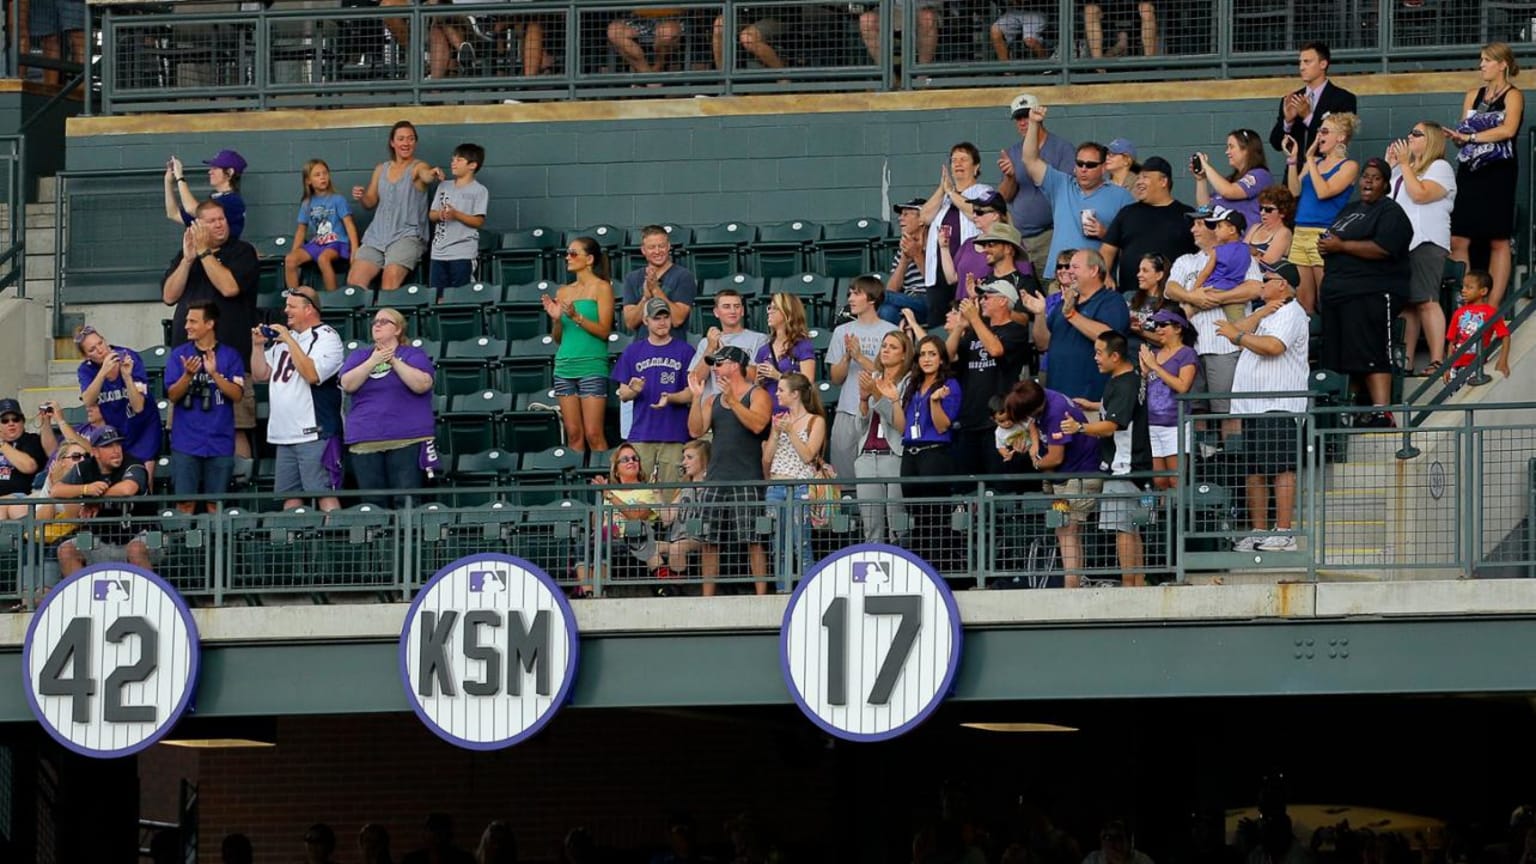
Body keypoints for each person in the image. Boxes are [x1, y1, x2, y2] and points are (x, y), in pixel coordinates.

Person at [1215, 274, 1310, 552]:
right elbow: (1234, 333)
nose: (1261, 284)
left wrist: (1241, 336)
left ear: (1283, 284)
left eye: (1267, 280)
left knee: (1281, 469)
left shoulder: (1291, 312)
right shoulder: (1267, 312)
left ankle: (1285, 533)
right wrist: (1257, 314)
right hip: (1252, 406)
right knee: (1254, 471)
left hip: (1279, 403)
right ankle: (1258, 531)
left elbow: (1273, 347)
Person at [1317, 158, 1413, 427]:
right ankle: (1354, 411)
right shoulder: (1349, 209)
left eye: (1376, 178)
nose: (1368, 181)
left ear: (1385, 185)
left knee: (1370, 351)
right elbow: (1333, 239)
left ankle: (1383, 412)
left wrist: (1342, 247)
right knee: (1343, 355)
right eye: (1365, 176)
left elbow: (1383, 248)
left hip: (1371, 292)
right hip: (1338, 293)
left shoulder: (1391, 212)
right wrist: (1326, 246)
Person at [162, 199, 260, 458]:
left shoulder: (242, 252)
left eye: (222, 219)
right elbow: (169, 295)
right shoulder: (187, 256)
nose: (219, 224)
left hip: (231, 357)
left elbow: (229, 287)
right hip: (189, 360)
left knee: (236, 426)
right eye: (211, 221)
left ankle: (238, 490)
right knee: (185, 425)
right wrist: (187, 260)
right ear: (197, 226)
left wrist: (205, 253)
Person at [1063, 330, 1153, 585]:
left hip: (1123, 466)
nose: (1095, 358)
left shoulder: (1125, 383)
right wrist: (1094, 406)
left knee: (1122, 529)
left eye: (1099, 353)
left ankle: (1129, 585)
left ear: (1115, 355)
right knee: (1131, 528)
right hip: (1133, 464)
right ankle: (1137, 583)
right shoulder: (1126, 378)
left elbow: (1114, 424)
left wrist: (1080, 428)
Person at [1163, 216, 1263, 443]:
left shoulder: (1240, 254)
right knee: (1196, 410)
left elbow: (1255, 288)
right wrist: (1192, 296)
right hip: (1190, 346)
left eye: (1201, 224)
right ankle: (1203, 463)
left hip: (1225, 345)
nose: (1194, 229)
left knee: (1226, 410)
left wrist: (1216, 297)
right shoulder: (1186, 260)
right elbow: (1170, 289)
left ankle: (1231, 462)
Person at [249, 285, 344, 512]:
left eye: (292, 306)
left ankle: (332, 540)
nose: (286, 310)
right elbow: (261, 374)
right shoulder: (286, 338)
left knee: (322, 494)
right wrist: (258, 346)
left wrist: (290, 342)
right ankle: (293, 544)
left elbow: (312, 375)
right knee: (290, 498)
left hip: (314, 431)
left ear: (309, 309)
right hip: (284, 433)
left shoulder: (327, 337)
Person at [686, 345, 771, 596]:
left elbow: (757, 425)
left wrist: (734, 402)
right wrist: (695, 398)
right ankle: (707, 599)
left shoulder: (757, 394)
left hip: (747, 477)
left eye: (720, 363)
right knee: (709, 541)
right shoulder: (713, 399)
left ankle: (761, 597)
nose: (715, 368)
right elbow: (695, 431)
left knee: (753, 539)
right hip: (716, 477)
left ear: (735, 365)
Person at [1449, 43, 1524, 310]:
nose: (1481, 65)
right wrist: (1460, 139)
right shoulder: (1473, 94)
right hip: (1470, 169)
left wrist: (1471, 136)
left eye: (1486, 60)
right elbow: (1463, 129)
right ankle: (1467, 304)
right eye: (1481, 60)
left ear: (1502, 63)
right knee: (1459, 238)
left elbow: (1508, 130)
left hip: (1499, 173)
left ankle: (1489, 310)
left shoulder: (1513, 95)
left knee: (1498, 238)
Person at [1021, 103, 1134, 280]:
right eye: (1079, 163)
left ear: (1104, 167)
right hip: (1060, 277)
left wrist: (1105, 234)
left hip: (1095, 280)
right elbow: (1029, 160)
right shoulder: (1061, 184)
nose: (1083, 169)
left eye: (1090, 165)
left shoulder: (1121, 196)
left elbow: (1133, 245)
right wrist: (1034, 124)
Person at [874, 335, 960, 566]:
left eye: (932, 354)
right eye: (922, 354)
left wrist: (934, 402)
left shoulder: (949, 385)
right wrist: (893, 400)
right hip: (911, 454)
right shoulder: (913, 384)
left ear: (942, 359)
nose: (926, 358)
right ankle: (923, 567)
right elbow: (903, 427)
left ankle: (940, 569)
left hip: (934, 453)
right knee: (917, 517)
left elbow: (942, 426)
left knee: (935, 518)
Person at [1003, 380, 1099, 587]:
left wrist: (1036, 463)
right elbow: (1033, 424)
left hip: (1080, 472)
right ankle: (1076, 581)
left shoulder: (1056, 412)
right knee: (1064, 528)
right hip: (1062, 475)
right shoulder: (1040, 394)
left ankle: (1071, 586)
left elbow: (1055, 457)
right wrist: (1035, 444)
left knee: (1067, 528)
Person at [339, 308, 437, 508]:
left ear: (398, 329)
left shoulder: (413, 355)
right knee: (373, 503)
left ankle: (405, 539)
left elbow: (422, 385)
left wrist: (392, 360)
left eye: (384, 322)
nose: (377, 325)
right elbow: (348, 384)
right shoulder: (360, 356)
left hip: (406, 439)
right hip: (366, 439)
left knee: (406, 501)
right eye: (375, 322)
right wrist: (373, 361)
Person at [937, 279, 1033, 477]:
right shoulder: (973, 332)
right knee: (968, 486)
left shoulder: (1016, 330)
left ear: (1003, 301)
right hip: (969, 417)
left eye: (987, 297)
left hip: (999, 420)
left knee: (998, 484)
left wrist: (975, 320)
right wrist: (960, 326)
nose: (982, 301)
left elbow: (996, 350)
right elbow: (946, 356)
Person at [1387, 121, 1457, 376]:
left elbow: (1420, 195)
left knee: (1427, 300)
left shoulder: (1440, 167)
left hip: (1426, 241)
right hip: (1402, 245)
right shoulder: (1404, 169)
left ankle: (1438, 359)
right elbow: (1388, 202)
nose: (1409, 136)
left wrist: (1404, 165)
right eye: (1410, 131)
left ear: (1431, 140)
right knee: (1407, 304)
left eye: (1416, 133)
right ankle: (1405, 361)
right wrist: (1391, 167)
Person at [166, 302, 245, 512]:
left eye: (193, 321)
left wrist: (214, 374)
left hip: (220, 441)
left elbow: (237, 395)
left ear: (209, 324)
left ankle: (215, 545)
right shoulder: (179, 355)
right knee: (185, 502)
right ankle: (183, 543)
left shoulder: (230, 355)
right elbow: (172, 395)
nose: (187, 326)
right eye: (187, 321)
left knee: (215, 503)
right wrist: (188, 376)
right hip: (186, 442)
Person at [1023, 248, 1130, 401]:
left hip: (1091, 400)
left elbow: (1109, 337)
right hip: (1057, 398)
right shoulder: (1063, 304)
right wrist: (1040, 314)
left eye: (1074, 267)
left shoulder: (1111, 301)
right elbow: (1043, 344)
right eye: (1067, 267)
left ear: (1093, 270)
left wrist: (1071, 314)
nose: (1068, 272)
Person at [544, 236, 615, 455]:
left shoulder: (602, 287)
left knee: (594, 434)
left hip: (592, 365)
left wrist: (577, 317)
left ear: (590, 259)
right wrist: (556, 319)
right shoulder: (563, 292)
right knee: (573, 434)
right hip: (564, 366)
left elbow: (604, 331)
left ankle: (604, 486)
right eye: (568, 253)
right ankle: (579, 488)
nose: (568, 257)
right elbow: (558, 338)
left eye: (574, 253)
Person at [1284, 111, 1361, 313]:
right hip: (1301, 231)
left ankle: (1331, 341)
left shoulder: (1349, 166)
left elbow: (1324, 192)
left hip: (1323, 233)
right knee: (1303, 300)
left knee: (1325, 296)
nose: (1320, 136)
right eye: (1319, 130)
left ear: (1341, 137)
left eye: (1325, 131)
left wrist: (1309, 159)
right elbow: (1294, 190)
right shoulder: (1315, 163)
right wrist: (1293, 161)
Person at [347, 120, 439, 291]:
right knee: (354, 284)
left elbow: (425, 176)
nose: (406, 143)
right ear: (392, 142)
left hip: (407, 236)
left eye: (411, 139)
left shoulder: (418, 166)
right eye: (401, 139)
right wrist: (362, 196)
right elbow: (370, 202)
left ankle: (386, 318)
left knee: (389, 282)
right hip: (376, 236)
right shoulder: (381, 169)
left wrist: (432, 173)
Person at [613, 297, 695, 485]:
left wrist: (671, 397)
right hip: (642, 432)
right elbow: (623, 394)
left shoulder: (685, 351)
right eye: (657, 318)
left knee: (671, 495)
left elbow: (693, 392)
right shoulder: (632, 351)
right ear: (646, 321)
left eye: (666, 317)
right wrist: (634, 390)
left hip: (674, 433)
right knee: (639, 493)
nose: (662, 322)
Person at [825, 276, 898, 482]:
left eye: (856, 293)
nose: (850, 299)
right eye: (850, 293)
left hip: (880, 411)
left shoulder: (891, 331)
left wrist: (859, 357)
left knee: (881, 478)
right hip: (848, 410)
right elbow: (836, 378)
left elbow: (892, 375)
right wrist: (848, 357)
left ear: (872, 299)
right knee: (844, 478)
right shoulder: (841, 332)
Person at [54, 426, 152, 577]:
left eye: (118, 444)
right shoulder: (85, 467)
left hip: (142, 536)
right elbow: (56, 490)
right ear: (95, 452)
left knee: (136, 550)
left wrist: (95, 499)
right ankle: (81, 598)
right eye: (108, 446)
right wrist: (86, 490)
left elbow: (128, 489)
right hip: (102, 540)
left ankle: (147, 599)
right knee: (66, 550)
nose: (116, 450)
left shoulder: (133, 464)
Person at [999, 93, 1077, 276]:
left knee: (1050, 287)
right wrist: (1010, 177)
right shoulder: (1013, 152)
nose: (1023, 122)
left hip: (1049, 235)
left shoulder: (1062, 148)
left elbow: (1066, 192)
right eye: (1018, 118)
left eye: (1026, 116)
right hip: (1019, 239)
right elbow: (1004, 197)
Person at [574, 442, 662, 597]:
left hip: (633, 541)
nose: (631, 462)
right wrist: (599, 499)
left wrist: (609, 496)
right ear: (616, 469)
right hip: (606, 537)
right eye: (626, 459)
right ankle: (587, 593)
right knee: (583, 544)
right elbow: (597, 524)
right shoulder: (610, 492)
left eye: (635, 458)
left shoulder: (646, 490)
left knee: (603, 545)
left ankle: (599, 593)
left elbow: (636, 516)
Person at [921, 142, 996, 322]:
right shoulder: (945, 197)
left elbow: (975, 211)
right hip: (939, 271)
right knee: (940, 324)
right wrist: (942, 189)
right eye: (954, 160)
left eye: (963, 159)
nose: (958, 164)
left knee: (966, 321)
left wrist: (952, 193)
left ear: (976, 166)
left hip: (968, 272)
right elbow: (923, 217)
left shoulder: (984, 191)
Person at [1100, 155, 1196, 291]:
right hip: (1131, 299)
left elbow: (1203, 253)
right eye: (1138, 178)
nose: (1139, 182)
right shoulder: (1127, 213)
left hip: (1171, 301)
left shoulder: (1187, 215)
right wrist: (1105, 276)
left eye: (1145, 177)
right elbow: (1107, 250)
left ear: (1163, 181)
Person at [75, 326, 162, 474]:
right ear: (86, 356)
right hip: (115, 431)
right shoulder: (86, 370)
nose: (100, 350)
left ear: (105, 340)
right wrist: (103, 372)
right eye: (92, 350)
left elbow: (139, 407)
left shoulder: (128, 356)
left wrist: (127, 377)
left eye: (100, 343)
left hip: (142, 427)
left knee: (143, 479)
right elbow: (88, 401)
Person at [763, 372, 827, 570]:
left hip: (800, 486)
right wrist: (775, 433)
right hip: (776, 486)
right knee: (778, 546)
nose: (777, 394)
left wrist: (790, 432)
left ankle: (806, 589)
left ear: (795, 394)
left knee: (802, 543)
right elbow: (767, 459)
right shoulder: (780, 419)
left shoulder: (815, 421)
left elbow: (808, 455)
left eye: (781, 390)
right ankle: (782, 590)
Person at [854, 331, 913, 544]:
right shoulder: (873, 379)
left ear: (905, 355)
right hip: (867, 456)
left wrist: (877, 395)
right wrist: (862, 400)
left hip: (894, 454)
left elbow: (900, 424)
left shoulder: (908, 383)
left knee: (897, 525)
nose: (886, 350)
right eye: (884, 345)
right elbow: (859, 428)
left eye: (893, 347)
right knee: (871, 527)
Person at [1138, 308, 1198, 490]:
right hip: (1152, 423)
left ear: (1178, 327)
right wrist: (1145, 372)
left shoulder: (1187, 353)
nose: (1158, 329)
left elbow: (1182, 386)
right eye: (1156, 325)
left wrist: (1155, 367)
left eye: (1163, 325)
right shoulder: (1153, 354)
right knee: (1159, 481)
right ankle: (1164, 517)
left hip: (1175, 424)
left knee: (1175, 480)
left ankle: (1180, 517)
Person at [1268, 41, 1358, 159]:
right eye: (1300, 62)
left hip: (1326, 172)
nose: (1301, 67)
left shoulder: (1344, 99)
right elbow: (1276, 143)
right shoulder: (1292, 99)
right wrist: (1287, 122)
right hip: (1295, 173)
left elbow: (1340, 139)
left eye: (1307, 62)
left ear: (1323, 64)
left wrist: (1308, 117)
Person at [285, 159, 359, 293]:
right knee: (290, 260)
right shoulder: (307, 203)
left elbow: (349, 225)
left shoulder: (338, 199)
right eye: (317, 175)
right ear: (308, 181)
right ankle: (294, 298)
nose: (323, 177)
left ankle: (333, 298)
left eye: (325, 173)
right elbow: (301, 231)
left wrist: (354, 250)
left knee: (323, 259)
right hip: (318, 243)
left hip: (337, 243)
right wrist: (295, 251)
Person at [649, 439, 713, 585]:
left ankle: (677, 588)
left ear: (704, 459)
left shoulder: (711, 488)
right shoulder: (683, 487)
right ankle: (668, 586)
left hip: (700, 539)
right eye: (684, 458)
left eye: (689, 458)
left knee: (676, 548)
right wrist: (657, 493)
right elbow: (667, 519)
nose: (684, 462)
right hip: (676, 538)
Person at [685, 288, 767, 400]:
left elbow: (756, 377)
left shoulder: (759, 339)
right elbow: (696, 381)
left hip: (745, 404)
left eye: (737, 306)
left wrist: (727, 355)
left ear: (742, 311)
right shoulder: (706, 342)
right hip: (713, 407)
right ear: (716, 312)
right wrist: (710, 348)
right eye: (726, 306)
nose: (733, 311)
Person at [428, 143, 490, 290]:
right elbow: (431, 215)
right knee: (438, 297)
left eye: (459, 159)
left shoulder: (479, 190)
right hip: (438, 253)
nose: (453, 162)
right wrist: (440, 214)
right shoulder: (443, 186)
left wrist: (456, 214)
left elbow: (479, 221)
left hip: (463, 253)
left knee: (461, 296)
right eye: (453, 159)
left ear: (472, 165)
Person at [937, 191, 1015, 302]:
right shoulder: (969, 243)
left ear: (995, 215)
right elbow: (952, 278)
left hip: (992, 310)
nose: (974, 215)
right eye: (974, 211)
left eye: (979, 212)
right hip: (963, 309)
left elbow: (1018, 282)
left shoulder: (1010, 244)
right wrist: (944, 247)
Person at [621, 225, 696, 333]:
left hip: (673, 347)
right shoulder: (632, 278)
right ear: (643, 250)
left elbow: (677, 320)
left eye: (661, 246)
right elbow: (630, 323)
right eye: (651, 247)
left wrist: (655, 290)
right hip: (643, 347)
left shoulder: (684, 276)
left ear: (668, 246)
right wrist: (646, 298)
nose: (657, 251)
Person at [1193, 129, 1273, 230]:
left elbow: (1229, 192)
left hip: (1245, 242)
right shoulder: (1230, 180)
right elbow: (1204, 208)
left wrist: (1206, 166)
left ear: (1247, 149)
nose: (1227, 152)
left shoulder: (1261, 175)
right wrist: (1201, 179)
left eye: (1231, 147)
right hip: (1222, 241)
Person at [164, 149, 247, 242]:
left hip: (224, 254)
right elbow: (173, 214)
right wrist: (168, 181)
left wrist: (180, 177)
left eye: (215, 168)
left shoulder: (232, 201)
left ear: (230, 172)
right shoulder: (217, 198)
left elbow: (191, 209)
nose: (210, 172)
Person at [754, 292, 817, 414]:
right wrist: (759, 379)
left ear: (788, 313)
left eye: (775, 308)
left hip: (793, 414)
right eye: (769, 307)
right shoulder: (764, 350)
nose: (769, 312)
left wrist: (778, 376)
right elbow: (757, 387)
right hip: (768, 414)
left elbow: (807, 383)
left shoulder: (802, 346)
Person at [1190, 206, 1255, 323]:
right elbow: (1256, 252)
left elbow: (1205, 273)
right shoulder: (1247, 249)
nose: (1215, 230)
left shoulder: (1217, 251)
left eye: (1219, 226)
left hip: (1212, 290)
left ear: (1232, 230)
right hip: (1234, 294)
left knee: (1186, 312)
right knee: (1239, 326)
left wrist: (1194, 291)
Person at [1445, 269, 1512, 380]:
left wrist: (1503, 360)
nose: (1463, 291)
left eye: (1469, 288)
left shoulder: (1491, 312)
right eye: (1463, 287)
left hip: (1476, 366)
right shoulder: (1458, 312)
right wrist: (1447, 367)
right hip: (1455, 366)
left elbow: (1505, 336)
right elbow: (1451, 342)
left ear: (1483, 291)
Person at [882, 198, 931, 325]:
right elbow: (892, 289)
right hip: (906, 300)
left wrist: (917, 255)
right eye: (900, 214)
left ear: (921, 220)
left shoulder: (936, 244)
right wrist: (904, 260)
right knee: (886, 311)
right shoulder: (903, 248)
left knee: (882, 297)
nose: (900, 218)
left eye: (906, 214)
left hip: (929, 301)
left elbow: (936, 284)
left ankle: (865, 301)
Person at [0, 398, 46, 506]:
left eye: (15, 419)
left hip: (20, 498)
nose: (11, 423)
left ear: (23, 421)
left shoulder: (31, 440)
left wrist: (2, 444)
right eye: (5, 421)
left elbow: (29, 466)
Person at [608, 9, 685, 73]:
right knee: (614, 32)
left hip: (670, 18)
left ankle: (657, 69)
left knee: (667, 32)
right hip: (633, 19)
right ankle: (647, 75)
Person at [1126, 253, 1172, 356]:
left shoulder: (1168, 305)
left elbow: (1166, 340)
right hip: (1121, 357)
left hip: (1150, 361)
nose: (1139, 274)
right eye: (1139, 270)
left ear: (1159, 275)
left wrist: (1141, 332)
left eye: (1145, 271)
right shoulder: (1128, 296)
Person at [1245, 186, 1296, 272]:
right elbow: (1239, 254)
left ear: (1282, 212)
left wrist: (1256, 252)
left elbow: (1267, 263)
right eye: (1261, 208)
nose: (1262, 213)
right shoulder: (1255, 227)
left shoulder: (1284, 232)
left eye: (1268, 210)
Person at [1083, 1, 1156, 59]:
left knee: (1146, 8)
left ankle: (1150, 64)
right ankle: (1098, 67)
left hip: (1134, 10)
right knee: (1090, 10)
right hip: (1107, 9)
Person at [401, 815, 475, 864]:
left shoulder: (464, 859)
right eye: (427, 830)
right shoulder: (412, 860)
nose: (423, 834)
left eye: (429, 830)